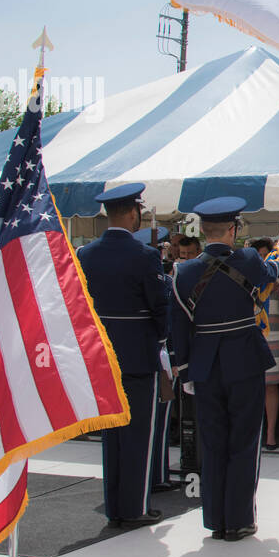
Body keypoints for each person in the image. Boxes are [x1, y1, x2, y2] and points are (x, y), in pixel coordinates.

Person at [170, 197, 275, 541]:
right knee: (244, 441)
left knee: (213, 443)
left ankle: (216, 518)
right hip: (243, 358)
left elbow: (179, 326)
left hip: (205, 362)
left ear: (202, 230)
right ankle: (241, 518)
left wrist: (185, 370)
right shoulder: (247, 259)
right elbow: (272, 273)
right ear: (233, 229)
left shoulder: (183, 271)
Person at [77, 183, 169, 528]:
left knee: (111, 435)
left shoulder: (87, 254)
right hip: (137, 352)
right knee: (138, 434)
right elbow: (160, 307)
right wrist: (160, 340)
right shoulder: (145, 256)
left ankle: (115, 502)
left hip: (101, 355)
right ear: (133, 213)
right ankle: (135, 506)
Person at [134, 225, 178, 494]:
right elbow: (168, 322)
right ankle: (158, 474)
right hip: (158, 355)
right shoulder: (166, 283)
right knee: (157, 423)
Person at [250, 238, 279, 451]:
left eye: (266, 254)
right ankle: (255, 431)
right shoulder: (245, 276)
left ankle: (270, 434)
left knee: (270, 386)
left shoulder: (278, 276)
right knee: (252, 387)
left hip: (274, 333)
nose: (263, 259)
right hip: (251, 333)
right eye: (259, 255)